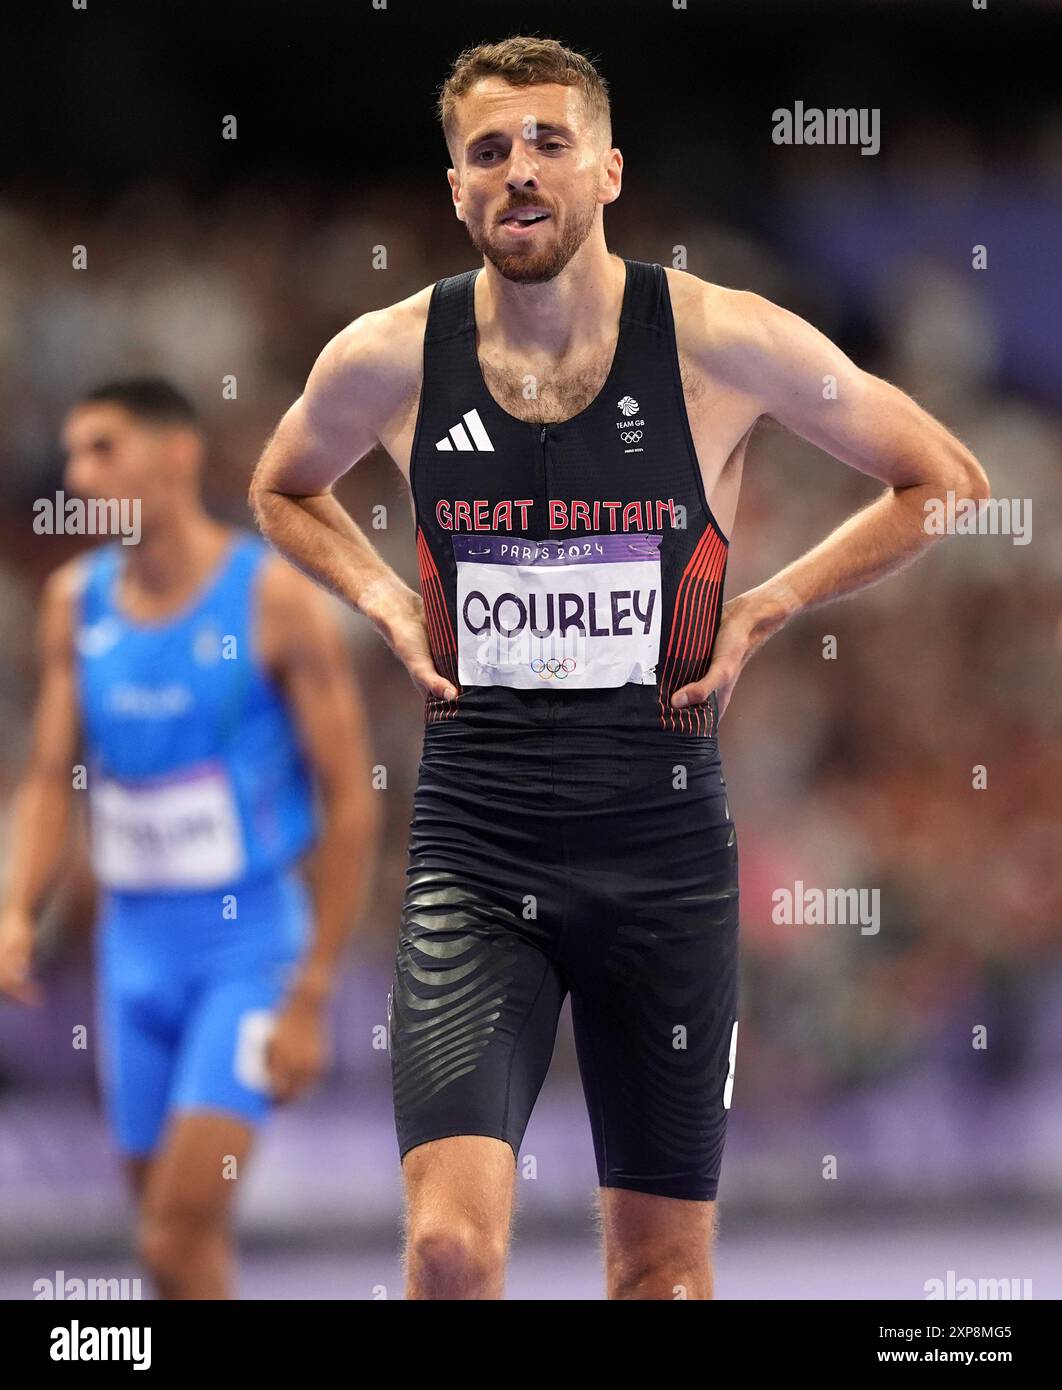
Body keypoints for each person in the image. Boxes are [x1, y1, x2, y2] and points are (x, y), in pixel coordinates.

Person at [248, 37, 990, 1300]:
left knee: (658, 1270)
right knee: (446, 1247)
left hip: (665, 851)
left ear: (608, 172)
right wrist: (379, 594)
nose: (521, 171)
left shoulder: (721, 339)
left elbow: (947, 480)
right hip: (476, 843)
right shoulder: (385, 356)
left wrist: (767, 603)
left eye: (549, 144)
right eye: (490, 151)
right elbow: (279, 485)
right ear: (456, 191)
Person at [0, 378, 378, 1299]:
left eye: (103, 449)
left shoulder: (272, 599)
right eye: (74, 455)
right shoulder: (73, 604)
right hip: (130, 956)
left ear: (176, 457)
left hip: (248, 949)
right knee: (170, 1247)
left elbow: (352, 798)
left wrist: (312, 988)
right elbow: (53, 775)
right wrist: (17, 908)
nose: (80, 475)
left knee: (175, 1233)